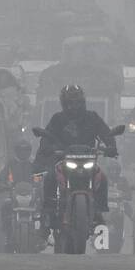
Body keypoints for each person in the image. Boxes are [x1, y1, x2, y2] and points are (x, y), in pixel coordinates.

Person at [34, 84, 115, 238]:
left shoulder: (92, 117)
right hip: (63, 161)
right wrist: (47, 148)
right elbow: (47, 136)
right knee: (50, 177)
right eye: (70, 103)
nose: (74, 107)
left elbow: (106, 133)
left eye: (77, 102)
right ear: (64, 103)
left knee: (102, 178)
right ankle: (48, 214)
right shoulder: (57, 119)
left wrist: (111, 147)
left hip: (88, 161)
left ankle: (99, 212)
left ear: (83, 102)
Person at [0, 138, 37, 251]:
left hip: (31, 196)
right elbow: (3, 175)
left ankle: (43, 234)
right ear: (16, 151)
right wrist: (1, 182)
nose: (23, 153)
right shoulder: (10, 164)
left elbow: (41, 175)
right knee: (5, 206)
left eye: (26, 150)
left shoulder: (34, 164)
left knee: (44, 209)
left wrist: (41, 183)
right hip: (14, 196)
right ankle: (8, 234)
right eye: (21, 150)